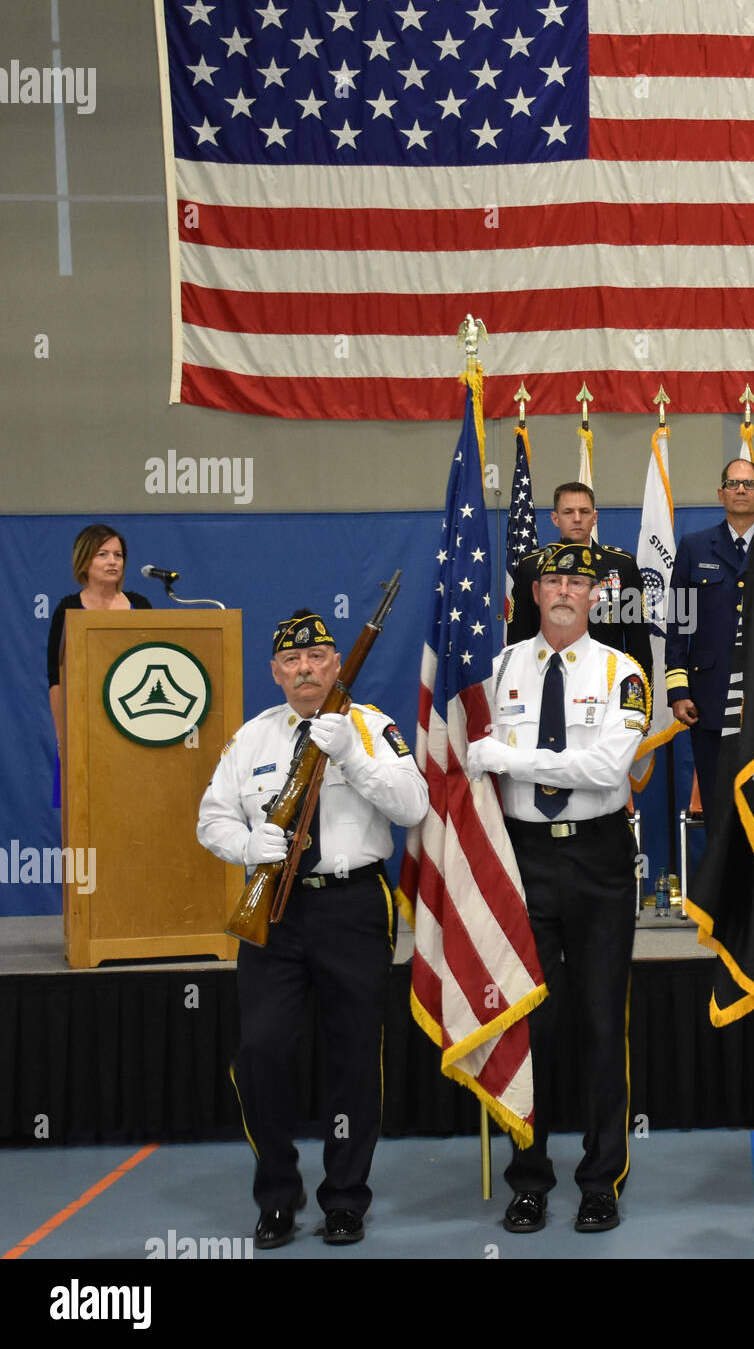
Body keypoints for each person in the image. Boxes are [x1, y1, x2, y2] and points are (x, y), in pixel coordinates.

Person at [197, 610, 428, 1250]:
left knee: (353, 1058)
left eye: (318, 657)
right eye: (292, 661)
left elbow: (414, 806)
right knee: (261, 1053)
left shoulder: (372, 727)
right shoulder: (252, 738)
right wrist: (249, 845)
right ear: (275, 672)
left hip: (352, 905)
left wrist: (355, 759)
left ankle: (346, 1200)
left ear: (335, 664)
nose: (305, 669)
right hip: (275, 907)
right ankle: (278, 1193)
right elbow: (210, 819)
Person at [467, 544, 646, 1235]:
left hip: (597, 862)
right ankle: (529, 1179)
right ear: (535, 592)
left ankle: (601, 1180)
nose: (566, 590)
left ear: (596, 594)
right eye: (553, 580)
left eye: (578, 580)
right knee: (527, 1023)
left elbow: (605, 770)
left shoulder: (622, 672)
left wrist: (509, 756)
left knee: (602, 1023)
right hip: (521, 859)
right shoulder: (499, 668)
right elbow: (463, 757)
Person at [664, 457, 754, 807]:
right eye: (733, 484)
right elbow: (679, 622)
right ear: (720, 493)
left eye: (748, 484)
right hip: (708, 696)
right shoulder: (694, 546)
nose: (740, 490)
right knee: (717, 799)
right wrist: (678, 690)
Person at [508, 481, 652, 679]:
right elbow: (519, 640)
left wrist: (640, 703)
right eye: (568, 512)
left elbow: (639, 645)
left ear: (595, 517)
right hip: (547, 680)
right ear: (555, 518)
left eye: (584, 512)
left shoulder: (621, 565)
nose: (577, 519)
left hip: (605, 681)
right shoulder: (532, 567)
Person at [47, 524, 152, 749]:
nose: (113, 562)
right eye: (102, 555)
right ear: (85, 561)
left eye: (118, 555)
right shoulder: (68, 608)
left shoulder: (140, 605)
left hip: (134, 717)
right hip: (83, 721)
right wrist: (62, 733)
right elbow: (56, 677)